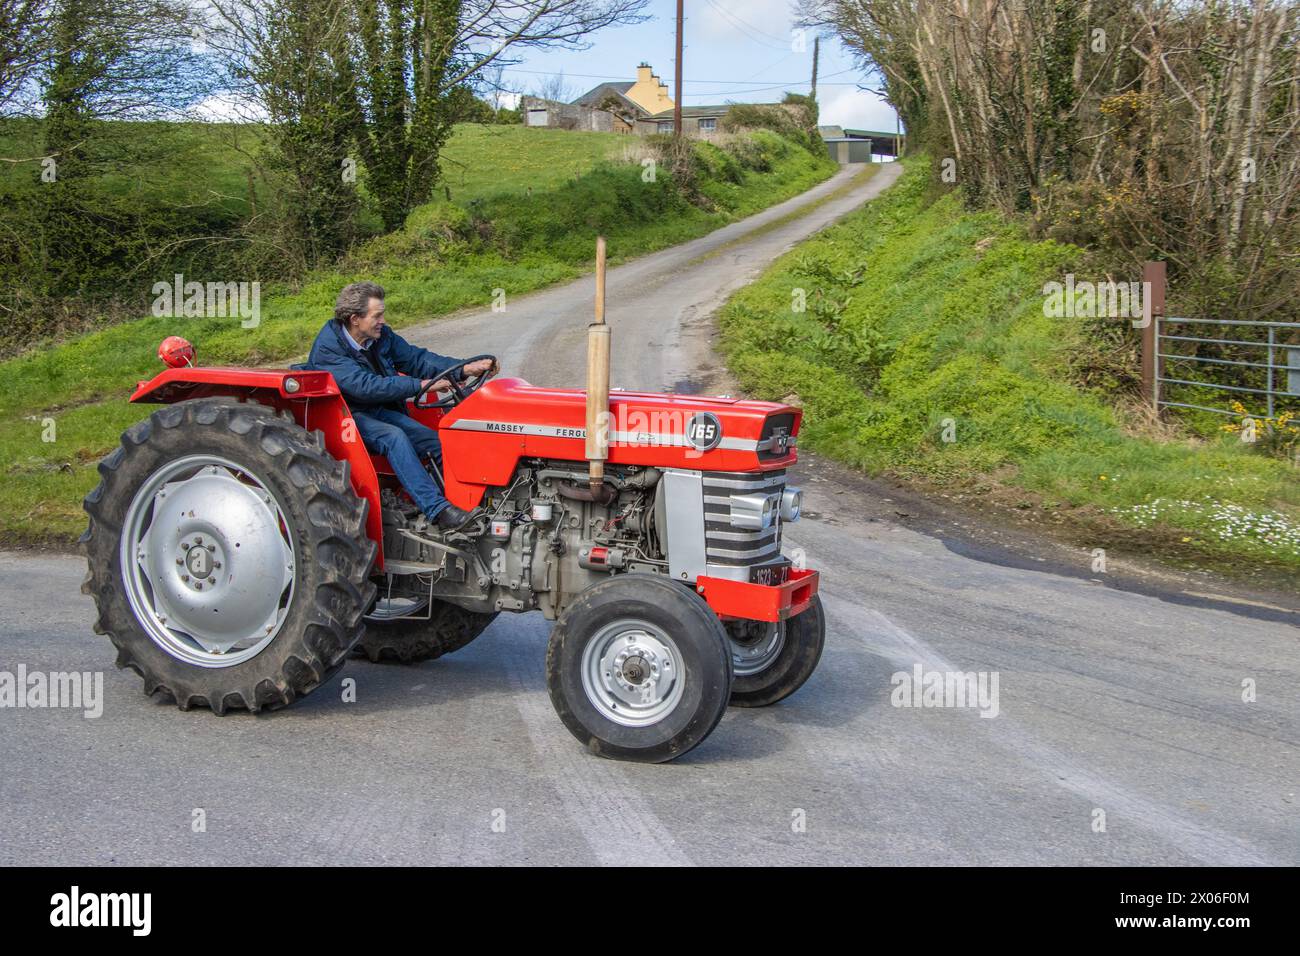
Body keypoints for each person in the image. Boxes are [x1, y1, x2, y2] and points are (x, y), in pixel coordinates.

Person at [308, 281, 495, 530]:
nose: (383, 320)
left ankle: (464, 505)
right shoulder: (328, 349)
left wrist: (464, 368)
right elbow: (366, 386)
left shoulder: (380, 336)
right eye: (377, 315)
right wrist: (421, 386)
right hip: (348, 416)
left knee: (434, 442)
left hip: (378, 409)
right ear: (355, 319)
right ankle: (439, 512)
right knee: (394, 437)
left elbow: (416, 360)